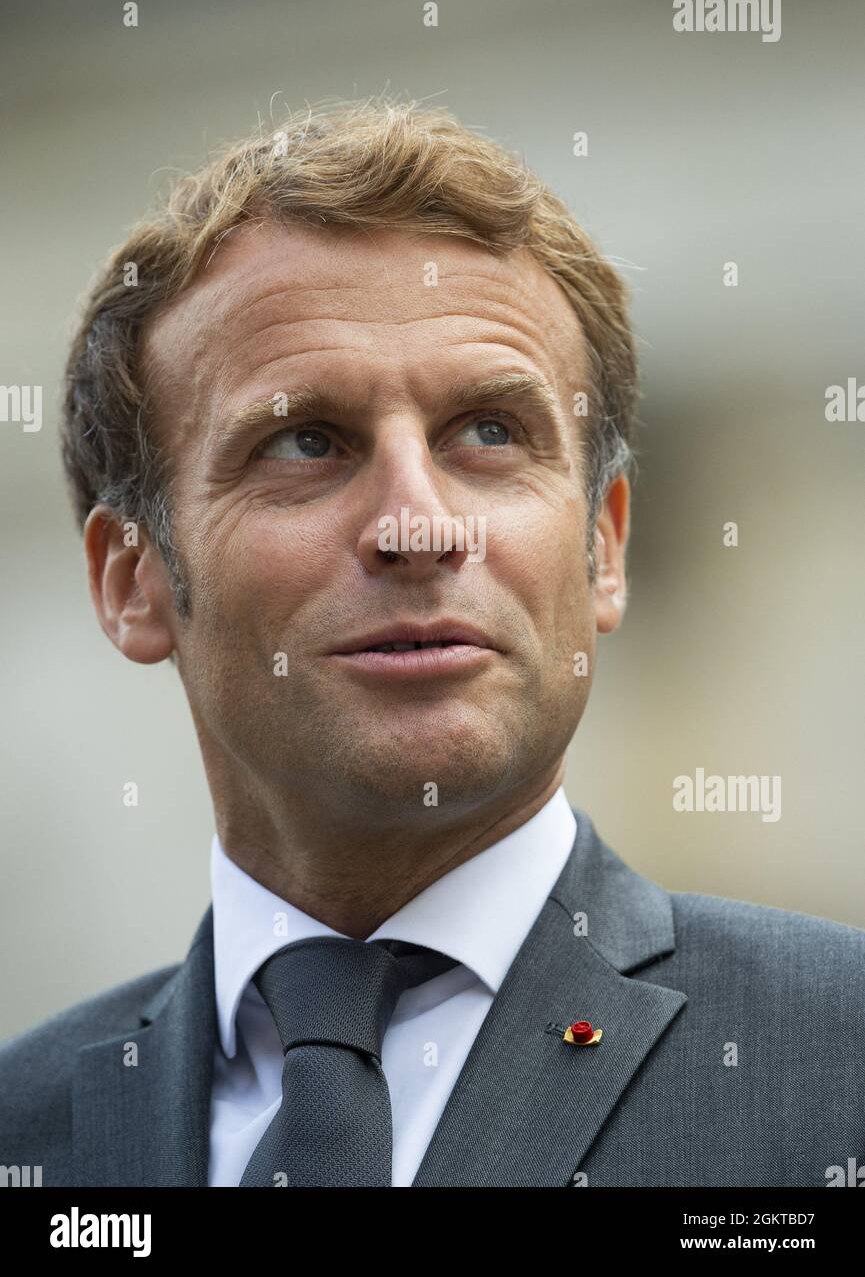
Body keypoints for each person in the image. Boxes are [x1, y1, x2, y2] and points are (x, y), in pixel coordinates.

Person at [1, 99, 862, 1188]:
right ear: (132, 580)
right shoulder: (28, 1141)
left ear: (603, 547)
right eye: (305, 441)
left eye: (490, 434)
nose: (415, 525)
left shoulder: (837, 1067)